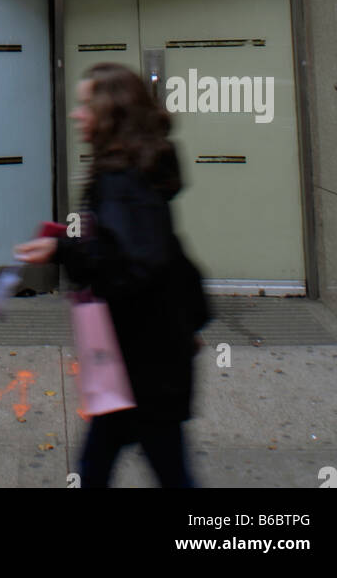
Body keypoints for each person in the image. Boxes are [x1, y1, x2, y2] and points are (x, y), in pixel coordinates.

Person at [15, 62, 209, 489]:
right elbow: (149, 252)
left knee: (131, 466)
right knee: (119, 463)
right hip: (145, 359)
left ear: (111, 112)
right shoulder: (135, 170)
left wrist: (66, 249)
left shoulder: (122, 179)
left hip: (142, 362)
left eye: (85, 104)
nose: (76, 114)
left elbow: (135, 265)